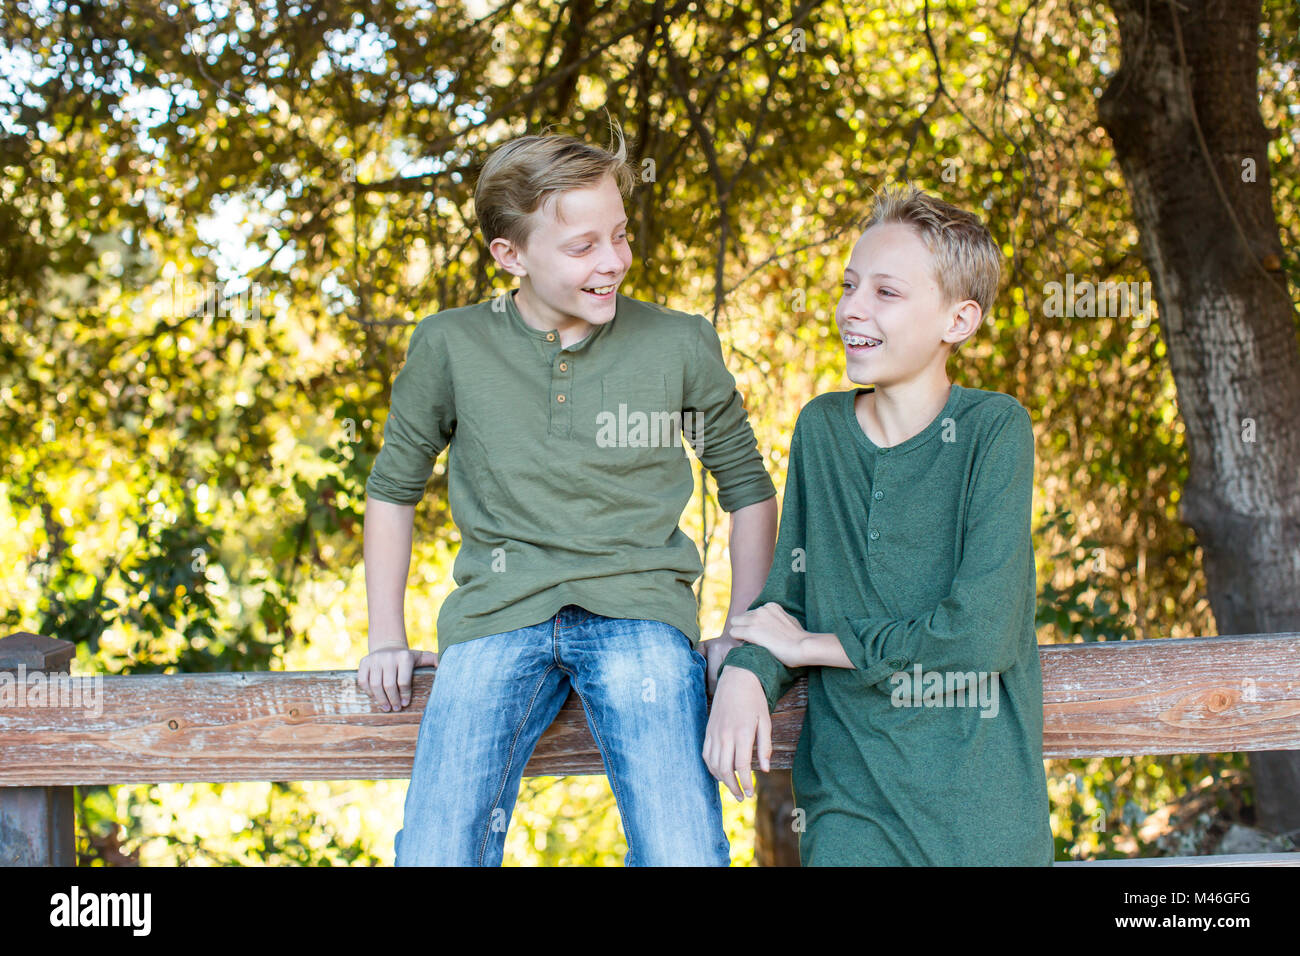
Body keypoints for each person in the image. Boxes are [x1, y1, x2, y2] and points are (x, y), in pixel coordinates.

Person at [357, 121, 778, 866]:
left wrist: (743, 627)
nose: (613, 261)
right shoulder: (450, 344)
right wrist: (385, 636)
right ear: (509, 255)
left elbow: (746, 487)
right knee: (436, 848)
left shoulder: (679, 342)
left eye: (619, 236)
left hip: (640, 613)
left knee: (682, 845)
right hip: (496, 615)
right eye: (583, 246)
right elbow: (393, 489)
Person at [704, 182, 1054, 866]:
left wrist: (813, 647)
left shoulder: (994, 430)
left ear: (958, 320)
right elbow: (788, 596)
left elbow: (980, 633)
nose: (851, 309)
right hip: (849, 809)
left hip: (982, 816)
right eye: (849, 285)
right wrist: (747, 668)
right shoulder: (822, 430)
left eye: (885, 293)